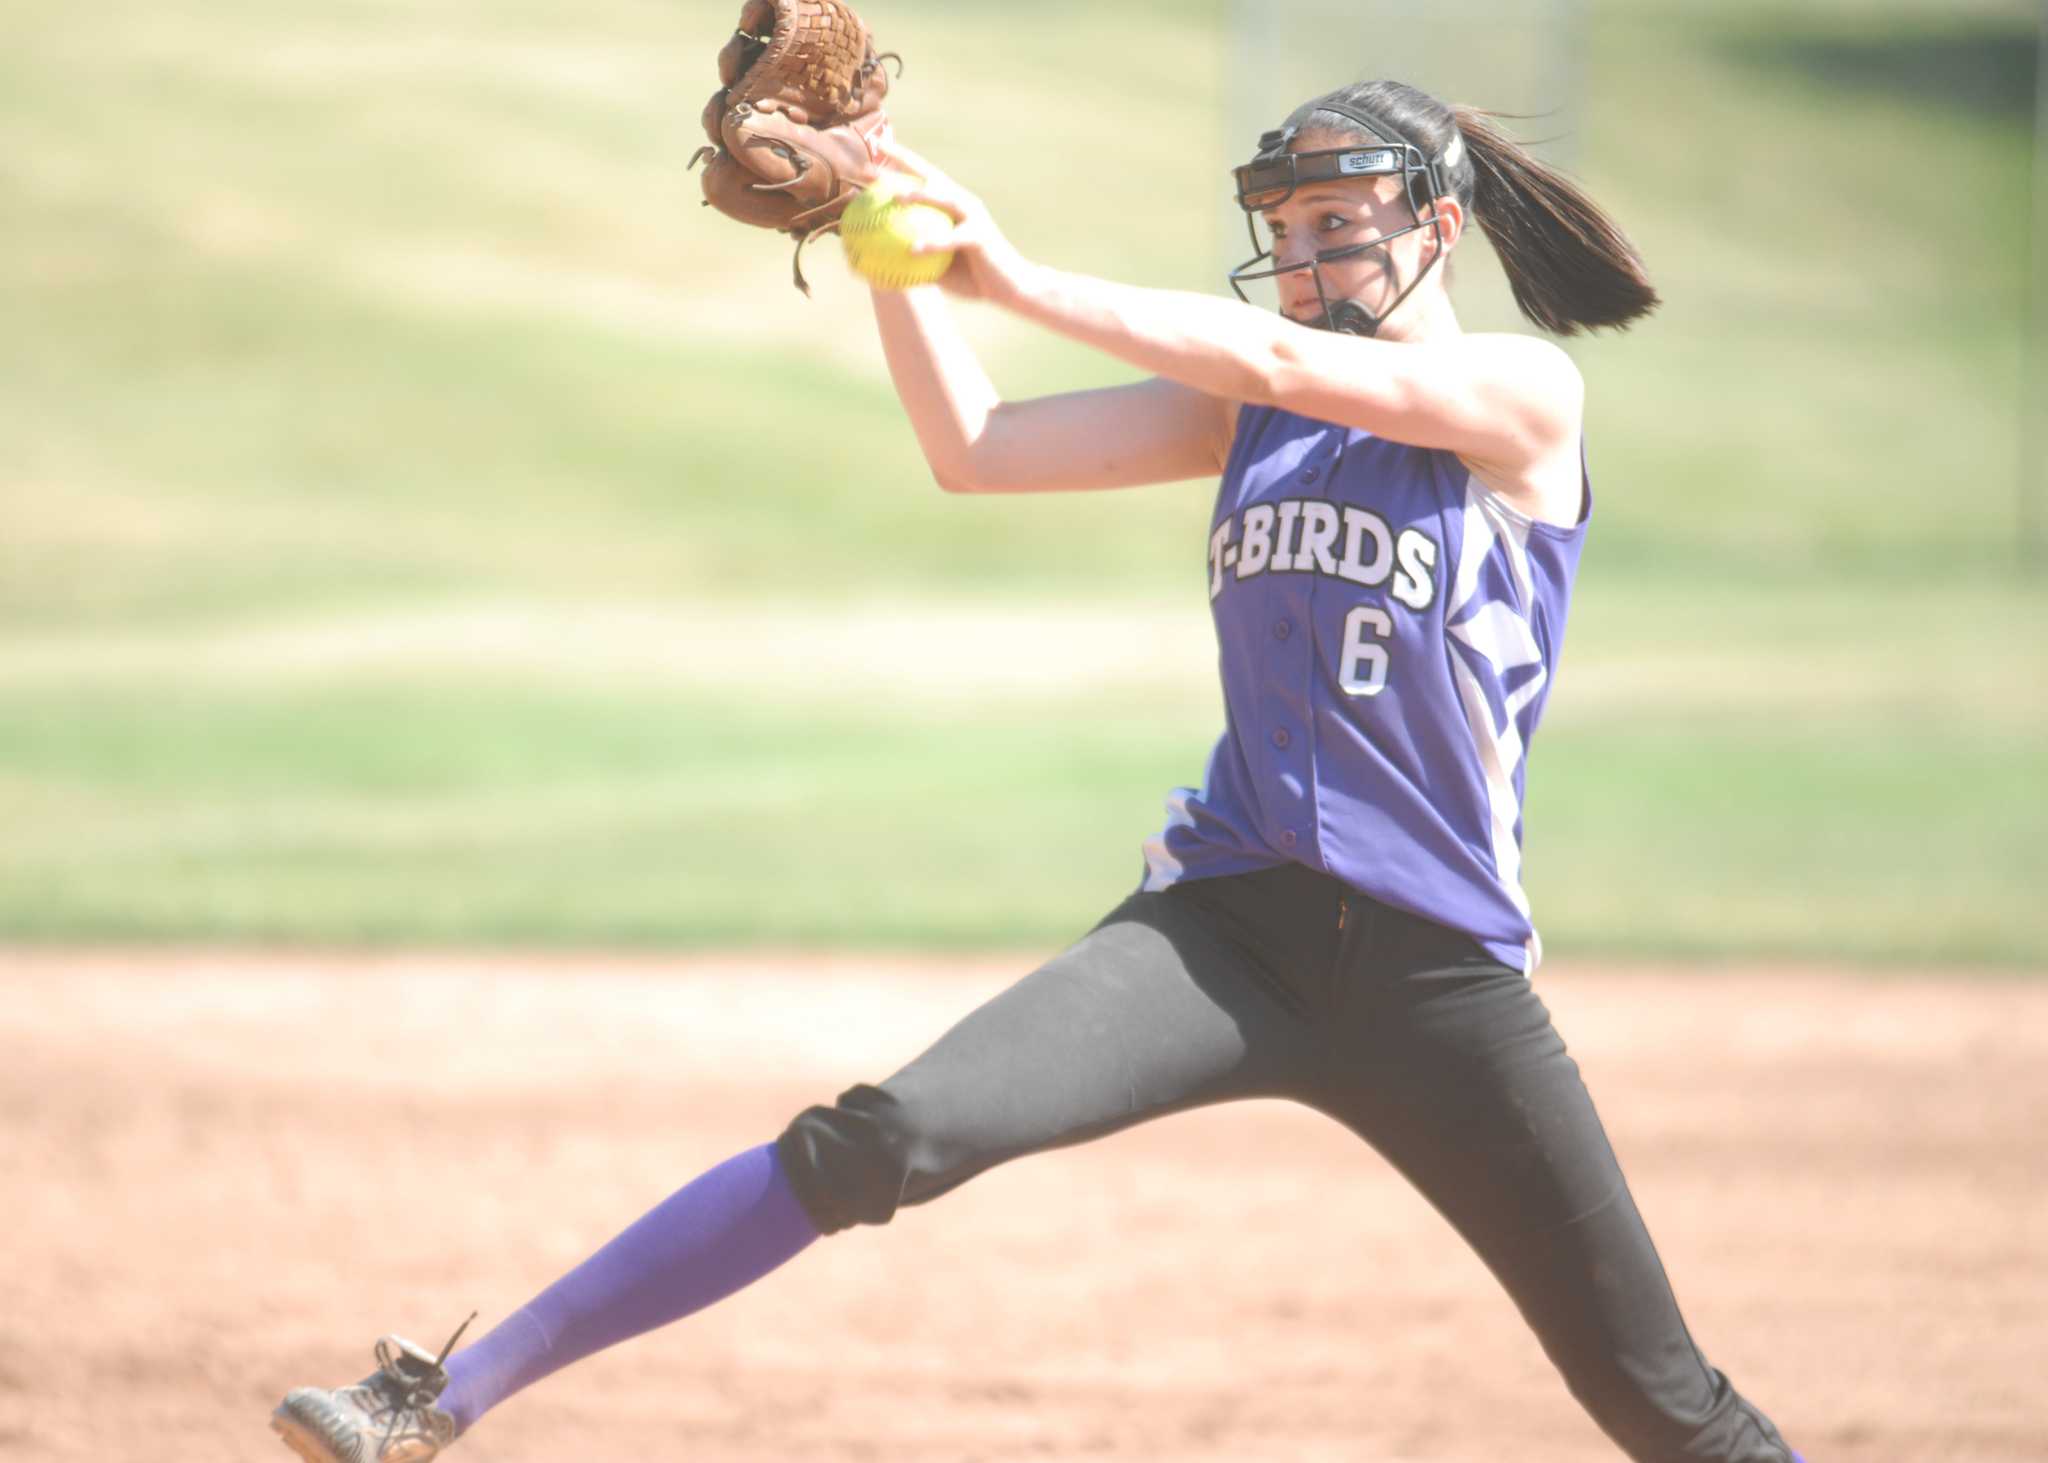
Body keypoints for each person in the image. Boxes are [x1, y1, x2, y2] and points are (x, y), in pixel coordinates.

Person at [270, 79, 1807, 1463]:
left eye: (1342, 222)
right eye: (1288, 226)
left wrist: (1016, 272)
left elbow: (1271, 347)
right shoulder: (1256, 413)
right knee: (876, 1140)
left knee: (1656, 1402)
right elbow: (981, 446)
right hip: (1223, 933)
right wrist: (903, 263)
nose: (1311, 254)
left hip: (1439, 976)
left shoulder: (1523, 401)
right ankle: (441, 1401)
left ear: (1441, 226)